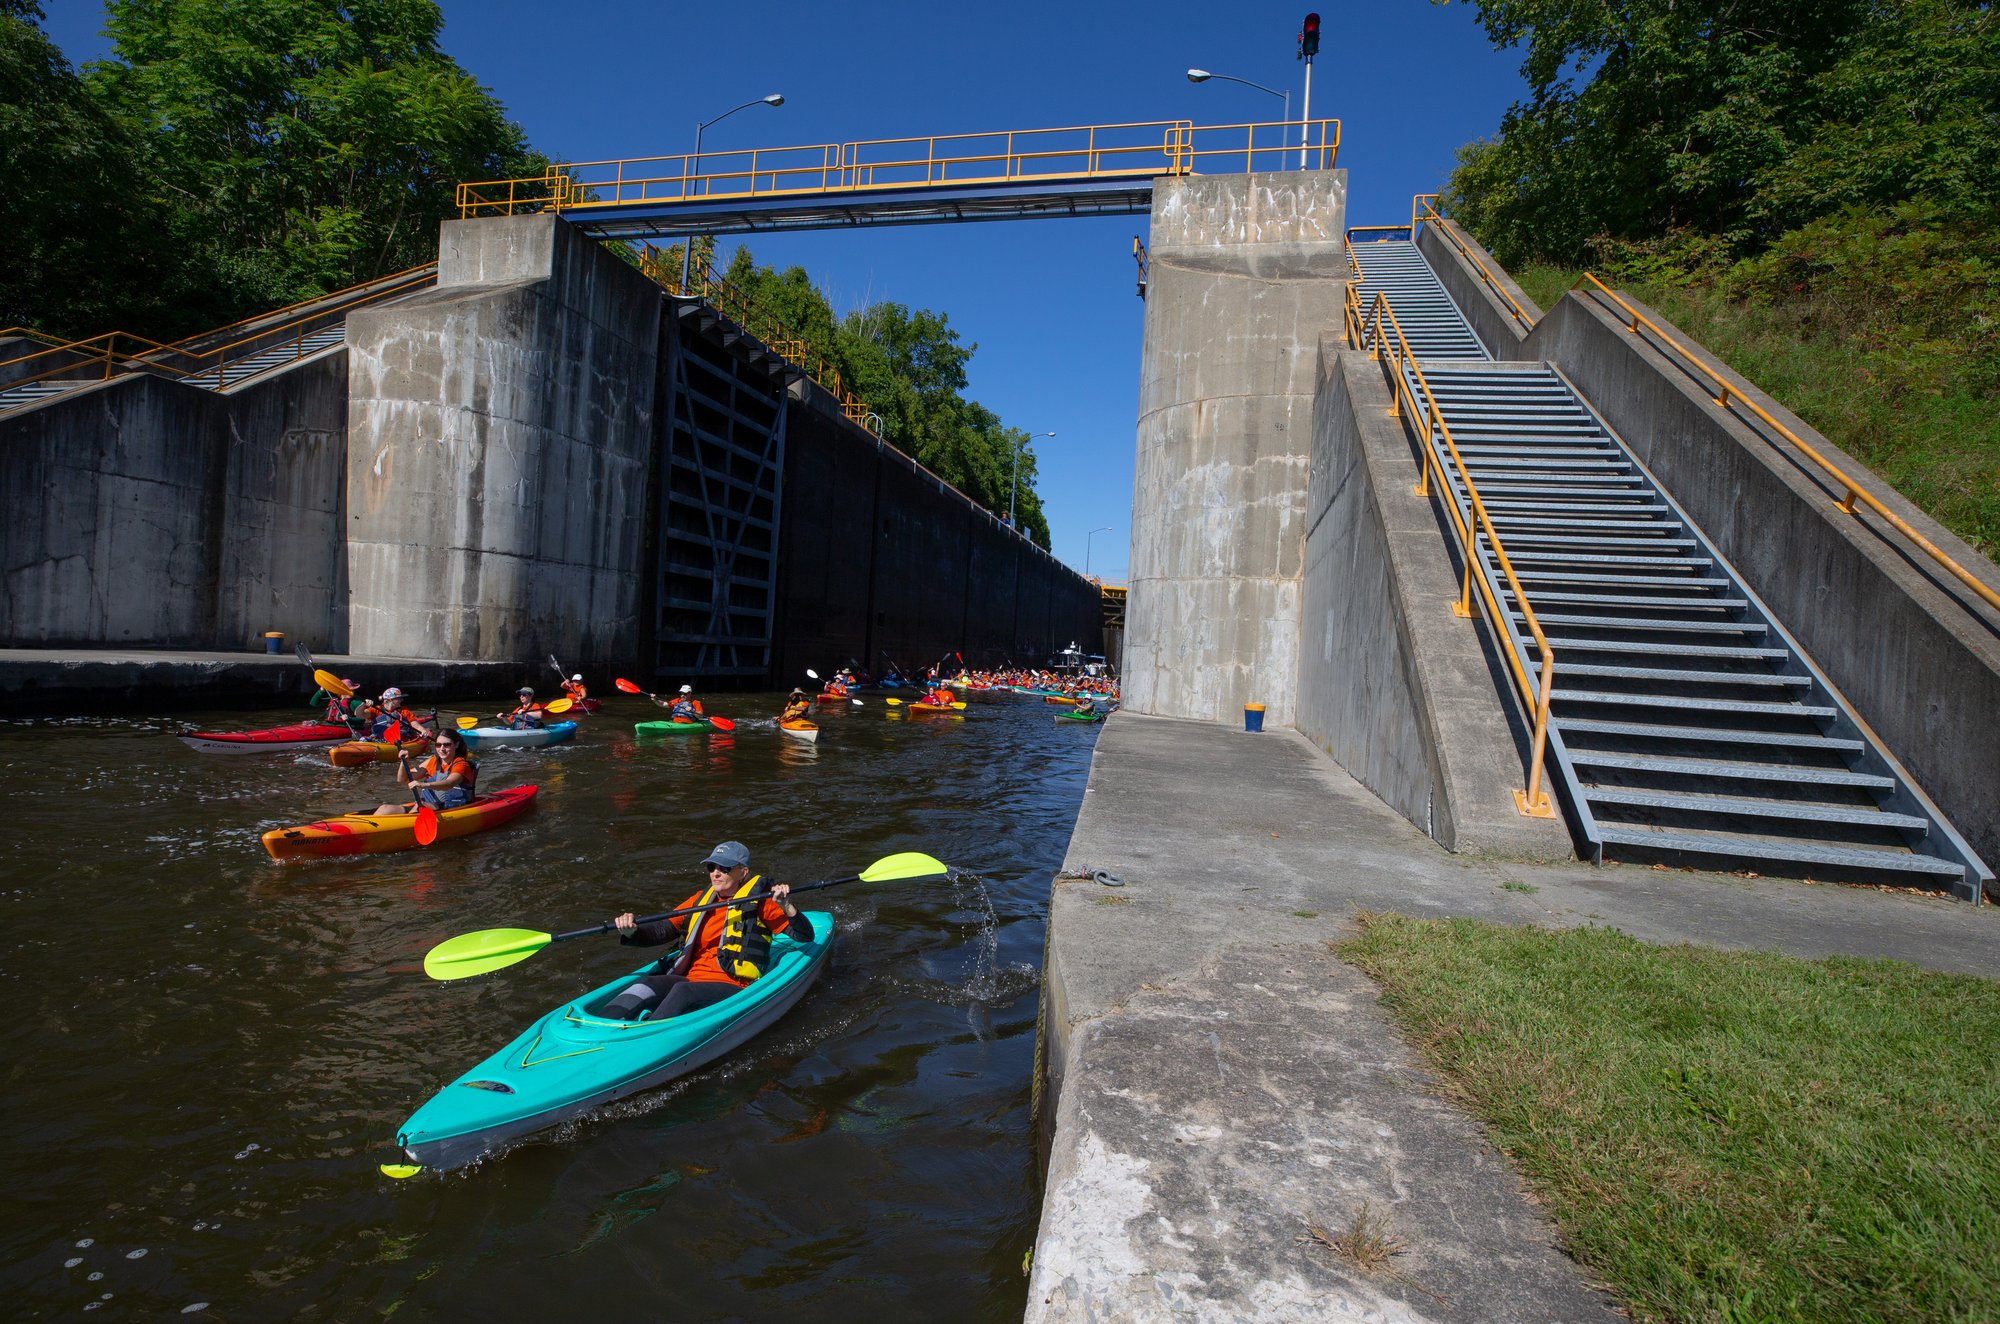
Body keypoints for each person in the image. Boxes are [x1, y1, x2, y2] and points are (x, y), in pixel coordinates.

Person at [602, 842, 815, 1021]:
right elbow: (662, 930)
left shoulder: (761, 902)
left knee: (682, 992)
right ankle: (601, 1025)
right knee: (646, 984)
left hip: (733, 984)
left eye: (725, 868)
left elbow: (804, 936)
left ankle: (647, 1033)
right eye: (711, 867)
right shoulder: (700, 900)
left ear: (743, 871)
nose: (715, 873)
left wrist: (787, 905)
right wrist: (631, 932)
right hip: (691, 979)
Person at [376, 729, 477, 815]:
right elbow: (403, 779)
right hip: (427, 806)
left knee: (419, 806)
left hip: (450, 808)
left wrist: (423, 785)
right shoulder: (432, 761)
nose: (442, 749)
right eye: (438, 745)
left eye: (446, 745)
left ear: (456, 745)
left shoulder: (461, 764)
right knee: (384, 809)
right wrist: (404, 762)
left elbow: (449, 784)